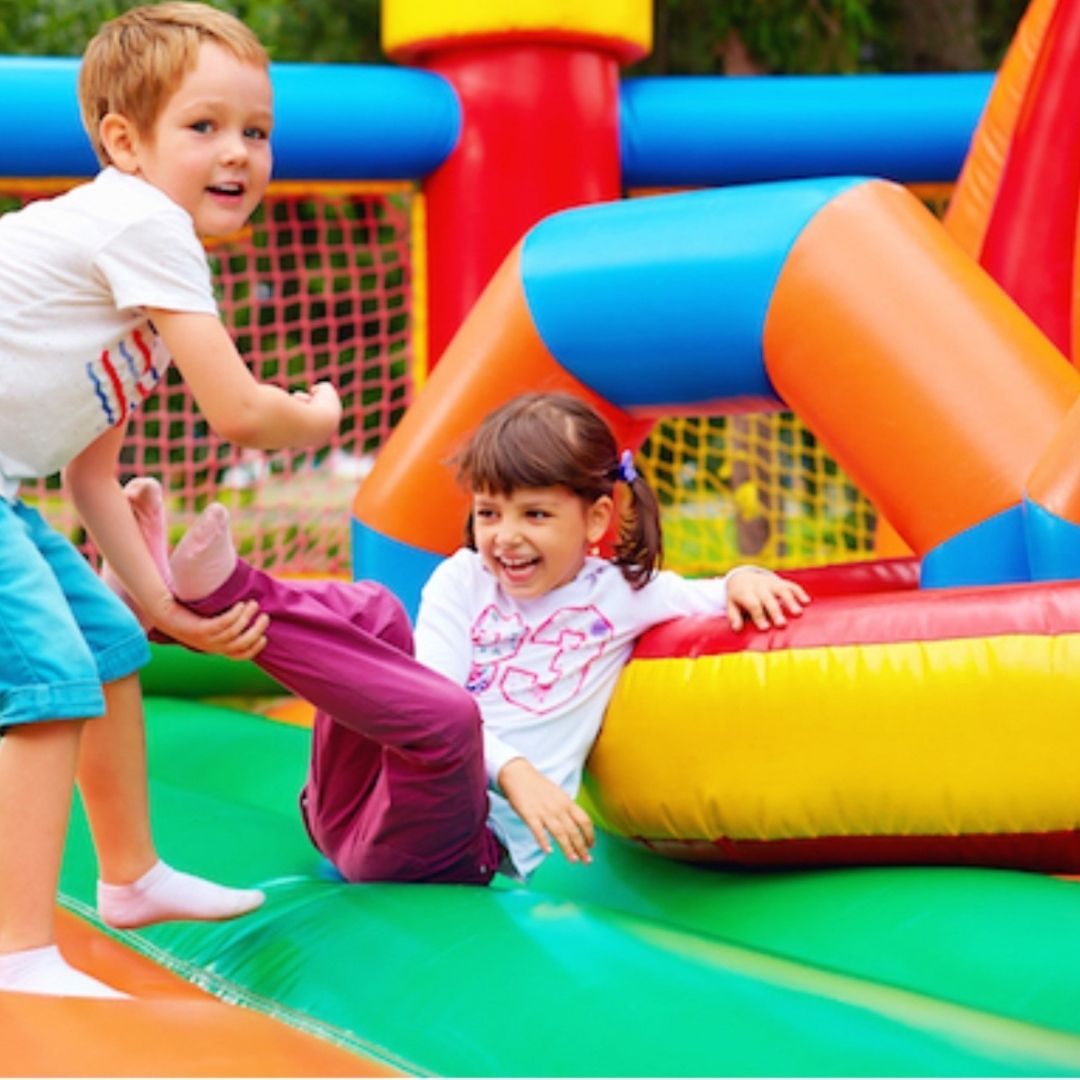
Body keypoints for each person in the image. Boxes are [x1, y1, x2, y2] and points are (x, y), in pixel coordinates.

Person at [113, 392, 809, 889]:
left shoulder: (624, 593)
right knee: (379, 613)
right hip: (346, 806)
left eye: (535, 514)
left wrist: (744, 574)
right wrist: (519, 772)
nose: (505, 536)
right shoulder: (463, 579)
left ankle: (196, 596)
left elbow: (709, 593)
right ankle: (193, 597)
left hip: (463, 848)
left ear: (597, 517)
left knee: (450, 716)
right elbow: (421, 699)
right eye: (488, 512)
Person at [0, 3, 341, 998]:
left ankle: (133, 876)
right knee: (49, 681)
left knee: (106, 644)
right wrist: (311, 418)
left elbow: (88, 474)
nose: (239, 153)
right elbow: (239, 412)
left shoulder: (138, 282)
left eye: (257, 131)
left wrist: (157, 603)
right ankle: (18, 949)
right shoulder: (143, 223)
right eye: (205, 127)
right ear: (124, 142)